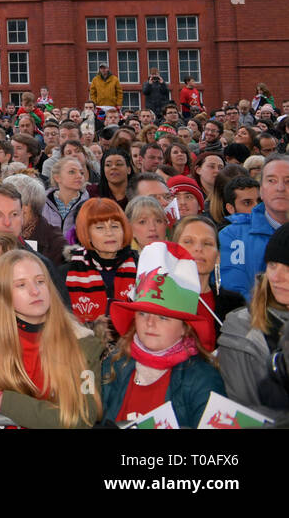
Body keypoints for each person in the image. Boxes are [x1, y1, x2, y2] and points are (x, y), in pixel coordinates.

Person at [0, 250, 103, 428]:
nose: (35, 291)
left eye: (41, 282)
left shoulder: (82, 343)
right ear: (2, 293)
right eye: (21, 285)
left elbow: (85, 416)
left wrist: (4, 402)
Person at [99, 242, 224, 427]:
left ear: (184, 327)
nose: (150, 322)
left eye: (163, 317)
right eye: (142, 313)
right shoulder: (115, 365)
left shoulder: (203, 379)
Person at [217, 223, 289, 416]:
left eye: (288, 268)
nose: (276, 277)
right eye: (272, 265)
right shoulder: (240, 328)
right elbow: (243, 413)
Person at [58, 198, 137, 329]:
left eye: (115, 226)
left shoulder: (140, 267)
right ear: (86, 234)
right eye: (100, 227)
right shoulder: (64, 273)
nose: (109, 233)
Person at [219, 155, 289, 298]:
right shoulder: (233, 235)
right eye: (272, 180)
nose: (280, 188)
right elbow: (234, 291)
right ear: (261, 191)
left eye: (288, 181)